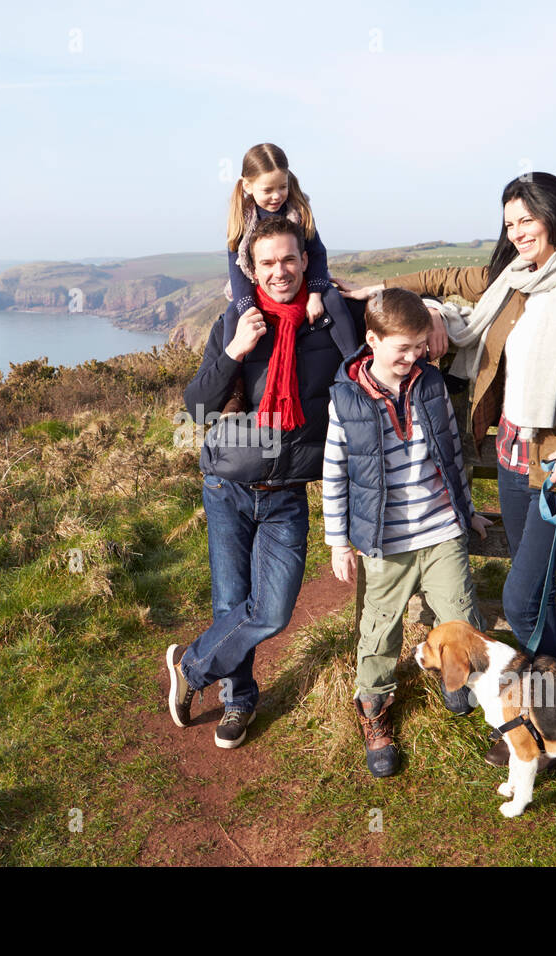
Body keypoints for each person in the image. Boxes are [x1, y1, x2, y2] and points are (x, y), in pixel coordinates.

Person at [336, 172, 556, 767]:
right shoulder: (513, 279)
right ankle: (551, 709)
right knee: (537, 590)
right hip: (512, 457)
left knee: (521, 595)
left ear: (555, 215)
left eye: (527, 219)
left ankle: (536, 717)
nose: (518, 232)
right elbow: (440, 279)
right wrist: (376, 290)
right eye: (509, 223)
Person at [165, 213, 362, 750]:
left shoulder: (330, 319)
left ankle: (193, 664)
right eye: (268, 262)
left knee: (271, 612)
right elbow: (197, 409)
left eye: (290, 259)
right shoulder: (234, 323)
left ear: (307, 261)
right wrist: (234, 354)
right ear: (249, 268)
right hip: (228, 486)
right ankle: (238, 701)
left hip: (288, 492)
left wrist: (434, 319)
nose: (280, 272)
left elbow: (386, 340)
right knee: (232, 602)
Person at [324, 288, 491, 778]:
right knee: (379, 631)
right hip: (386, 541)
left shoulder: (431, 384)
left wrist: (469, 510)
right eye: (403, 348)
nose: (413, 356)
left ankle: (458, 679)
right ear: (372, 340)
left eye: (419, 346)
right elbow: (335, 472)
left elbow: (452, 453)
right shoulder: (346, 400)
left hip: (441, 528)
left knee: (461, 614)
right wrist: (339, 540)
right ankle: (374, 713)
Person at [224, 143, 337, 338]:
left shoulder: (299, 212)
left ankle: (351, 360)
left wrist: (315, 294)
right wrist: (248, 309)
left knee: (334, 299)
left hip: (300, 281)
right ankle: (233, 362)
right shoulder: (242, 220)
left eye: (282, 187)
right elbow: (237, 270)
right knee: (232, 316)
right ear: (248, 186)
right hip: (259, 285)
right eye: (267, 190)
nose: (276, 196)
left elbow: (317, 252)